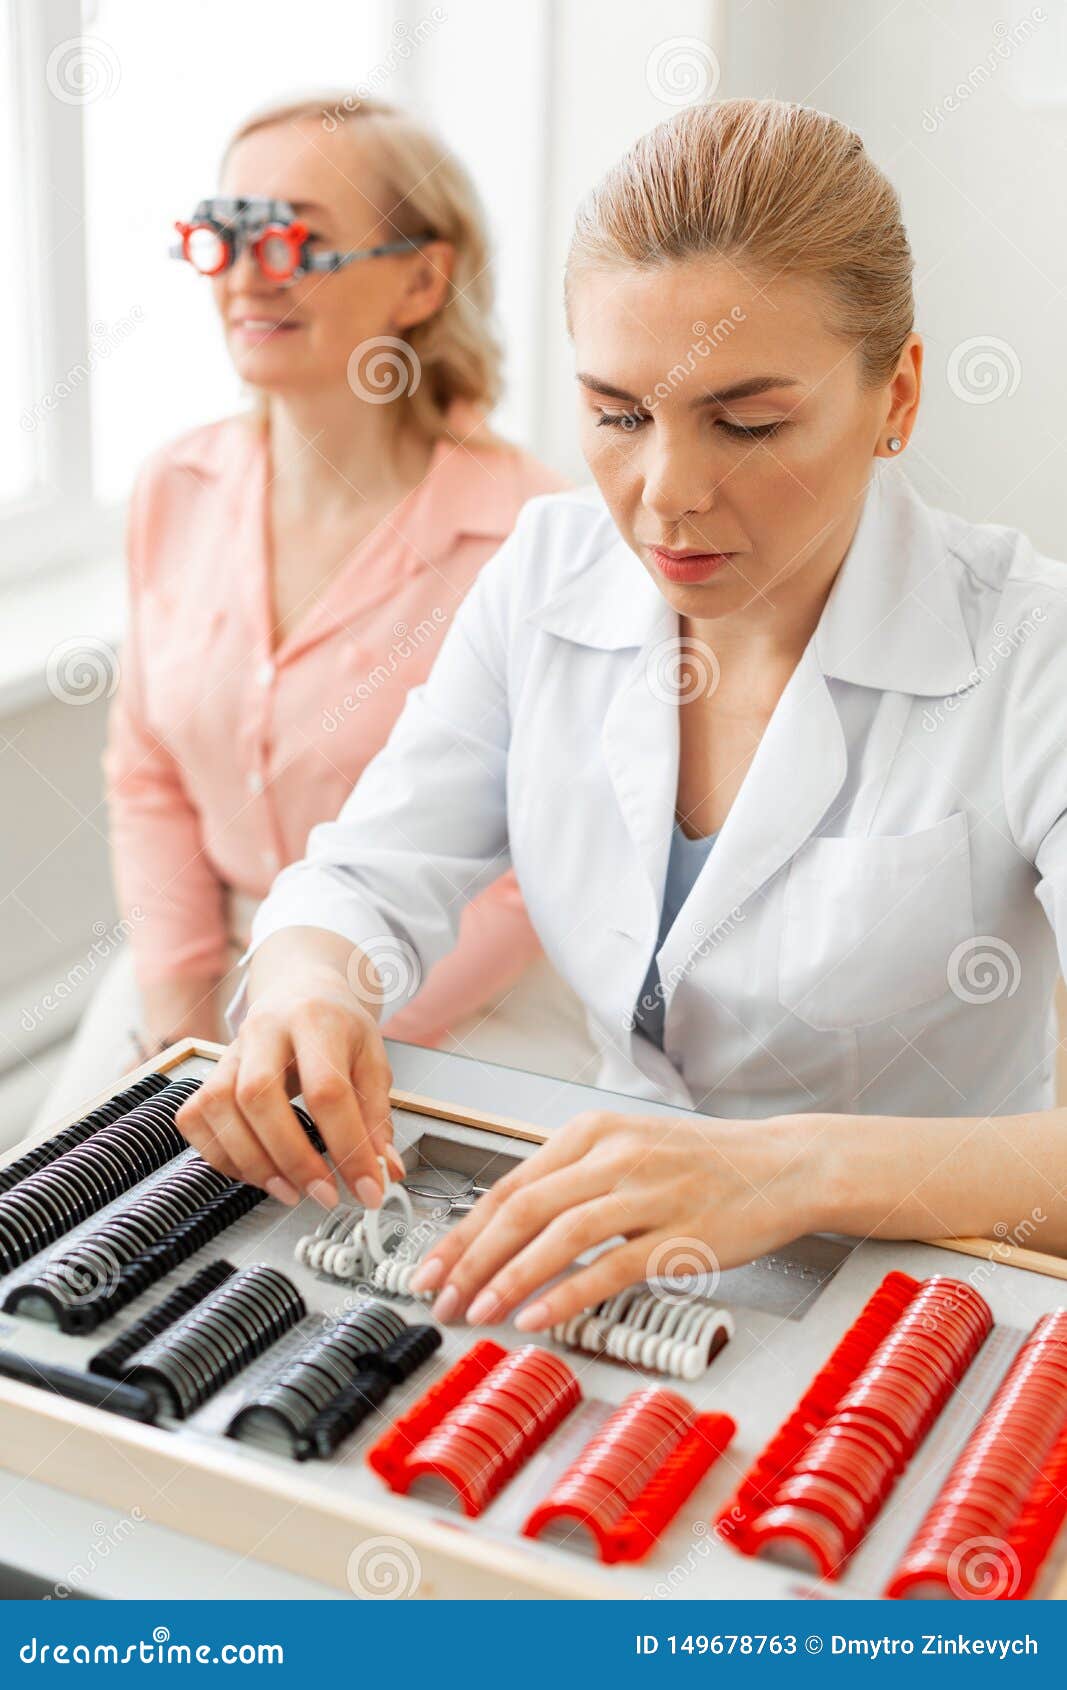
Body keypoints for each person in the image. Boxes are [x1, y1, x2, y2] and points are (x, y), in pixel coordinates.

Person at [175, 98, 1067, 1331]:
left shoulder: (1032, 651)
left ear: (896, 396)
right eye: (616, 414)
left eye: (747, 423)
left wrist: (789, 1169)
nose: (667, 496)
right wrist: (303, 989)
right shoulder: (547, 570)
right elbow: (364, 876)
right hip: (601, 1254)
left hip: (916, 1296)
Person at [33, 93, 596, 1137]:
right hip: (207, 967)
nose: (251, 273)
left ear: (421, 278)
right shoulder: (175, 483)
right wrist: (182, 1007)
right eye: (229, 231)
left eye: (294, 235)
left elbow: (539, 870)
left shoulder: (538, 529)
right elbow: (149, 773)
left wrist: (327, 1011)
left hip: (445, 987)